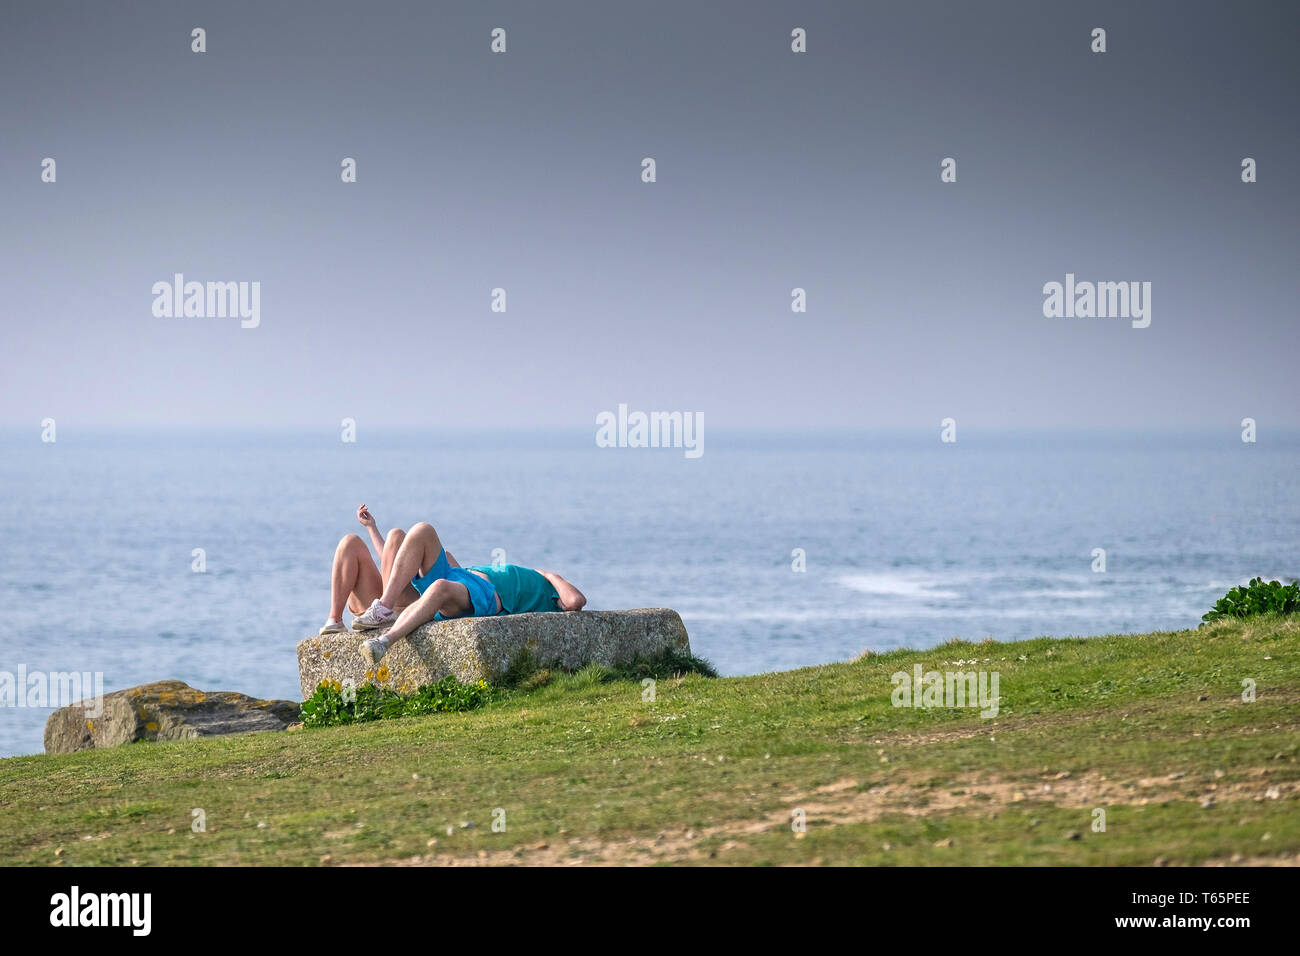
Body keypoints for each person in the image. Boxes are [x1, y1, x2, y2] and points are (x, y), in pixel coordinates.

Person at [320, 506, 585, 665]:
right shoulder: (459, 571)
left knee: (414, 539)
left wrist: (551, 575)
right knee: (357, 542)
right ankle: (335, 620)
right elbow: (396, 565)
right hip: (453, 583)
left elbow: (575, 601)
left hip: (482, 595)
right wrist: (372, 529)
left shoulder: (544, 583)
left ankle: (385, 624)